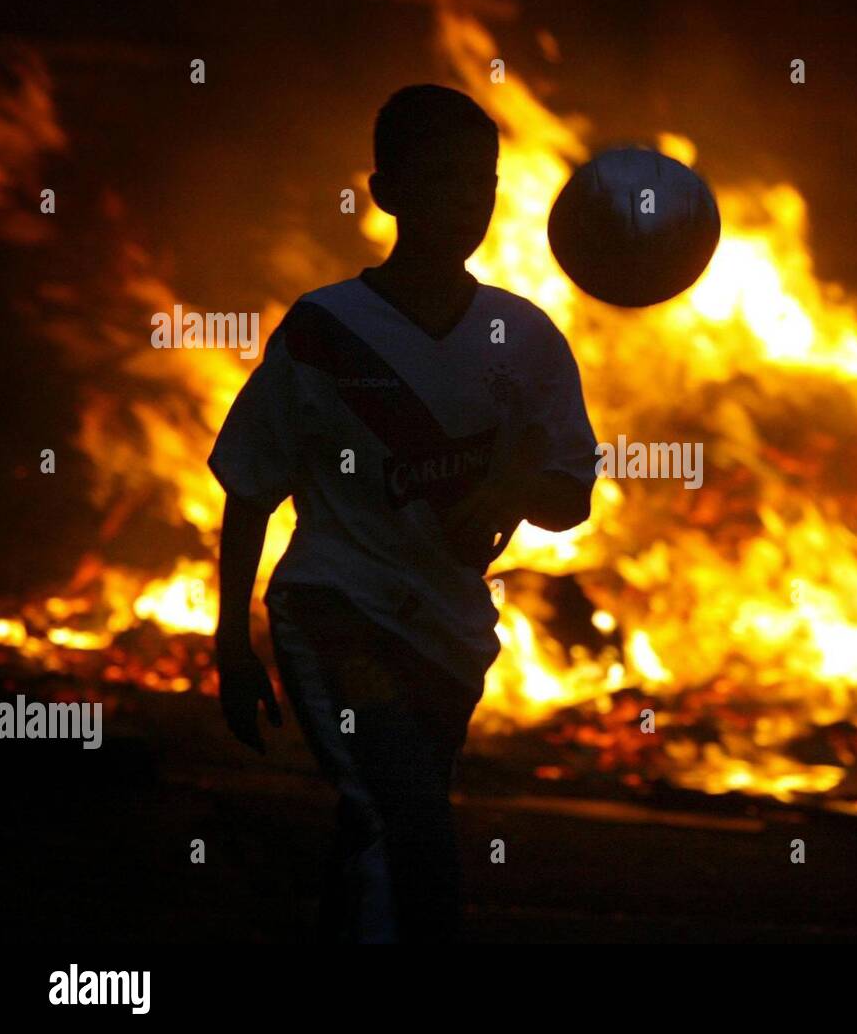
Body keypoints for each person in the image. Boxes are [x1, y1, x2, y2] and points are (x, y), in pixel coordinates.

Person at [209, 84, 597, 943]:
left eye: (481, 182)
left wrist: (510, 490)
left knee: (377, 822)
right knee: (408, 816)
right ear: (386, 192)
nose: (466, 202)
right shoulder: (322, 330)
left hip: (451, 638)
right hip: (335, 612)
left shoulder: (526, 338)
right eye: (442, 180)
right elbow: (248, 487)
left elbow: (572, 493)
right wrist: (232, 640)